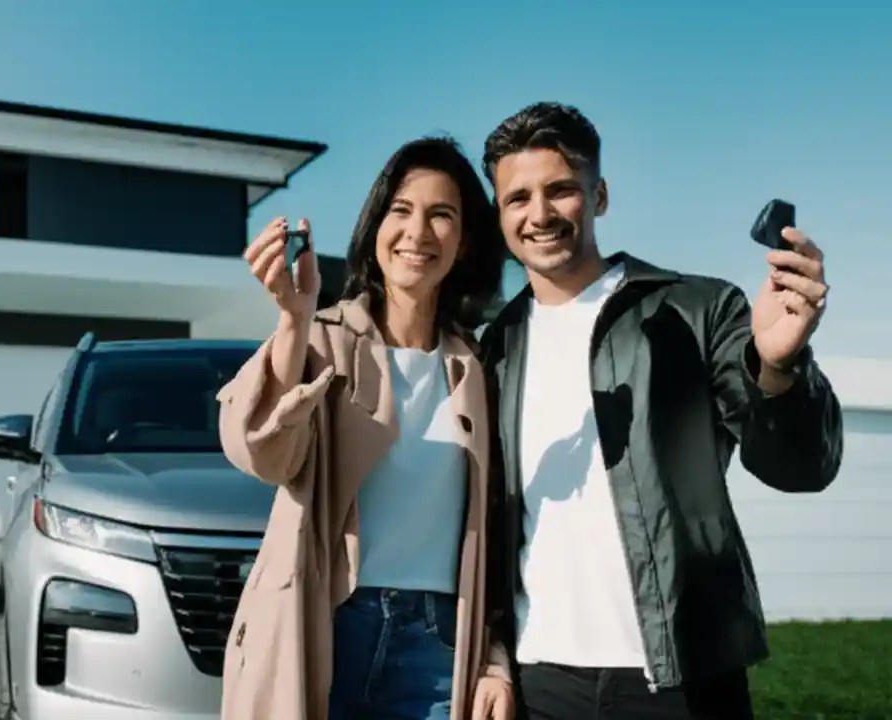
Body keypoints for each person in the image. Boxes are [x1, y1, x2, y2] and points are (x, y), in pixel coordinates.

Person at [477, 102, 844, 719]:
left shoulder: (698, 310)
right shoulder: (494, 348)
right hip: (540, 680)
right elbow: (485, 518)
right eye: (518, 198)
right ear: (500, 214)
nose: (539, 214)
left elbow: (801, 467)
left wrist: (779, 368)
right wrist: (493, 650)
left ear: (599, 196)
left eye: (560, 189)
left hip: (683, 677)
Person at [216, 136, 516, 720]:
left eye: (441, 215)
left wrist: (495, 658)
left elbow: (504, 531)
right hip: (327, 626)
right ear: (375, 225)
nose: (418, 232)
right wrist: (293, 318)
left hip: (439, 643)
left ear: (464, 241)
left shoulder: (478, 368)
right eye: (401, 210)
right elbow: (262, 455)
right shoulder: (322, 338)